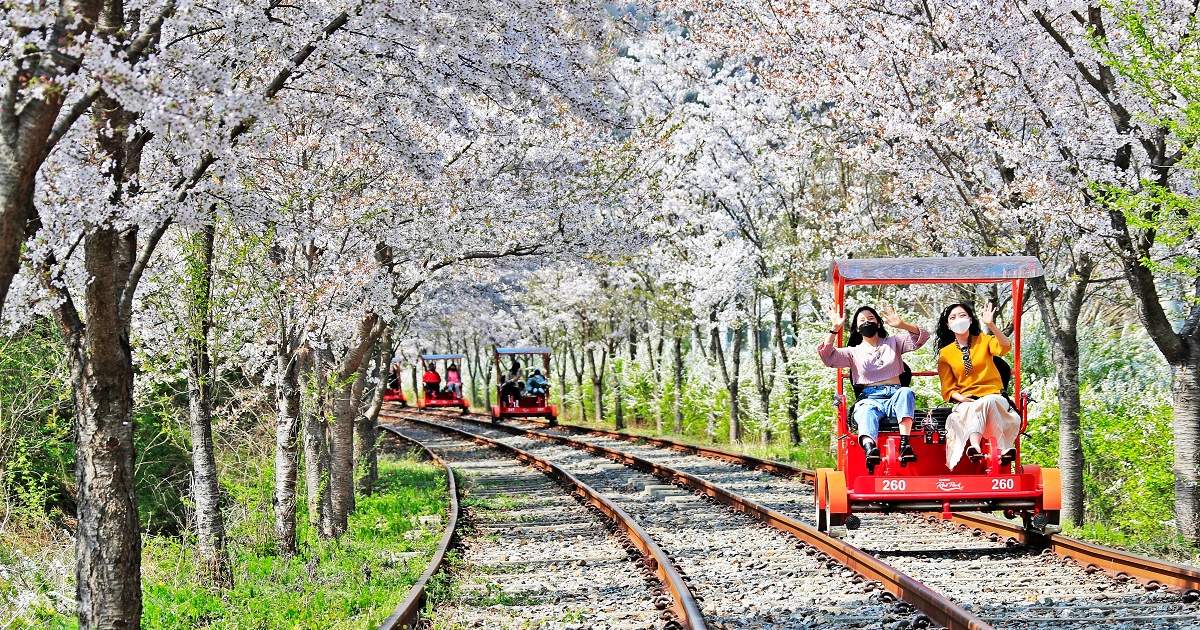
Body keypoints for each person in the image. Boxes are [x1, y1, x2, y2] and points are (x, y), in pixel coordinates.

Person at [818, 304, 929, 469]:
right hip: (870, 398)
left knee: (906, 392)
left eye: (871, 319)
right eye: (862, 320)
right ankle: (871, 448)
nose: (866, 322)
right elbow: (827, 357)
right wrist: (835, 328)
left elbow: (922, 336)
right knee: (865, 411)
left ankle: (905, 444)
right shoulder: (852, 352)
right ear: (856, 328)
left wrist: (901, 324)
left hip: (895, 395)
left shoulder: (894, 343)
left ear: (878, 323)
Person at [936, 302, 1020, 470]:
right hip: (968, 400)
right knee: (971, 407)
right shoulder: (945, 354)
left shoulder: (984, 340)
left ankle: (998, 448)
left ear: (970, 319)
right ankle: (975, 447)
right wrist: (961, 398)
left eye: (962, 316)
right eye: (953, 317)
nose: (958, 320)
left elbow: (1004, 347)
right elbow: (948, 387)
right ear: (948, 324)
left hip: (994, 397)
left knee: (987, 402)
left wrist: (991, 325)